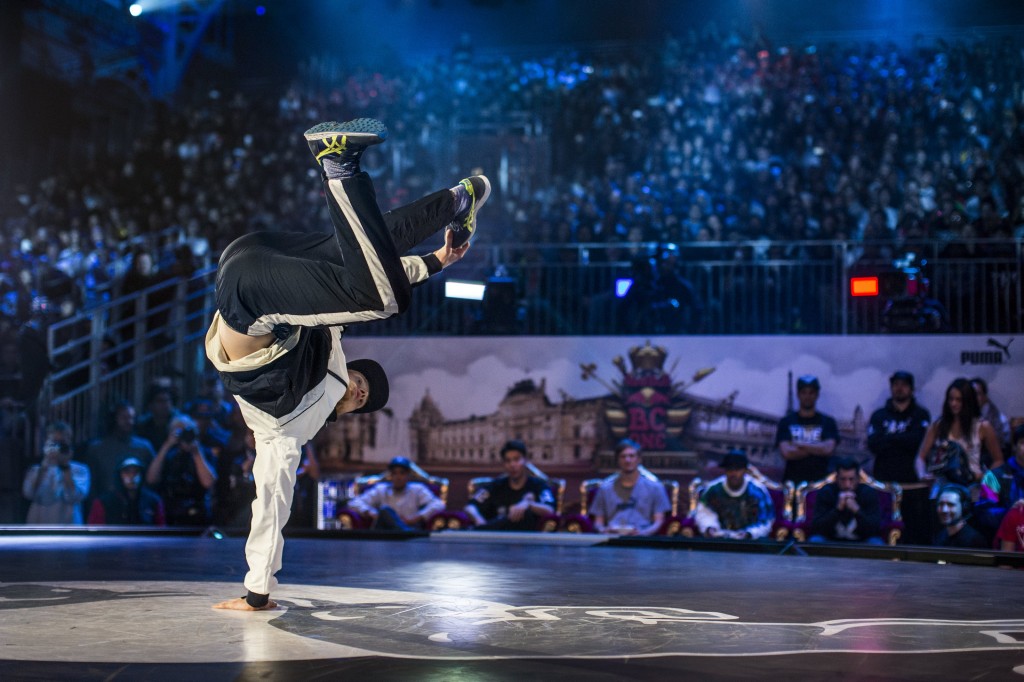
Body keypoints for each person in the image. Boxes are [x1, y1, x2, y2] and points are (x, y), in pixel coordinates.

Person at [207, 118, 488, 611]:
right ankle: (453, 199)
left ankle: (340, 167)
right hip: (260, 258)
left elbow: (272, 500)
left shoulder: (283, 434)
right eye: (361, 381)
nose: (358, 390)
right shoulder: (331, 341)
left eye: (361, 398)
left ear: (351, 413)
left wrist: (257, 592)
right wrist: (438, 260)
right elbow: (378, 265)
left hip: (245, 297)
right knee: (374, 267)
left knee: (377, 289)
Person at [866, 370, 932, 544]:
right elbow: (874, 444)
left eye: (903, 385)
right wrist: (903, 440)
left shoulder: (921, 415)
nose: (899, 388)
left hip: (913, 487)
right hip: (884, 486)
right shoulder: (879, 415)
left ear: (911, 389)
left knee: (915, 534)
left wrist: (889, 439)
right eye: (896, 384)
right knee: (884, 532)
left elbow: (918, 442)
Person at [915, 378, 1004, 488]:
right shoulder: (938, 425)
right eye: (951, 399)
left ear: (968, 401)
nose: (953, 403)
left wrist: (985, 477)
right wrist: (922, 474)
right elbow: (920, 457)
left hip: (972, 484)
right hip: (943, 484)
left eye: (959, 400)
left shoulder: (982, 426)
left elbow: (998, 460)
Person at [465, 439, 556, 531]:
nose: (512, 465)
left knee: (524, 514)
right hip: (496, 537)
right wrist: (479, 520)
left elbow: (550, 510)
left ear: (525, 460)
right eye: (508, 461)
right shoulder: (495, 486)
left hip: (527, 537)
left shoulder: (538, 485)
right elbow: (470, 507)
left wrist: (528, 504)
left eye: (516, 460)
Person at [145, 415, 217, 526]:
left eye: (187, 431)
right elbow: (151, 479)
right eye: (179, 432)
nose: (184, 435)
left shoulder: (204, 453)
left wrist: (196, 452)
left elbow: (208, 483)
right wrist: (167, 445)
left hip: (197, 513)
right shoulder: (168, 455)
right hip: (170, 513)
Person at [589, 439, 671, 536]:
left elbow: (659, 521)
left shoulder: (655, 488)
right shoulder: (605, 489)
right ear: (617, 460)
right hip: (612, 537)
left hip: (643, 538)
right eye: (623, 456)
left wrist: (642, 534)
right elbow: (598, 522)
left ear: (639, 459)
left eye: (631, 456)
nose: (627, 460)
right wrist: (604, 531)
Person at [83, 401, 157, 501]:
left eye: (131, 418)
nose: (129, 422)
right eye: (124, 418)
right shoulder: (96, 448)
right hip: (105, 504)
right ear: (114, 419)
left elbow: (153, 477)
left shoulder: (144, 446)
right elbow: (91, 483)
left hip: (138, 503)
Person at [693, 450, 775, 540]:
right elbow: (703, 513)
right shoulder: (713, 490)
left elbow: (766, 521)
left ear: (745, 470)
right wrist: (710, 528)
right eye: (730, 469)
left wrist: (750, 533)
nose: (733, 473)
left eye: (737, 469)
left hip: (751, 542)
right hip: (719, 541)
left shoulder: (757, 491)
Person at [347, 456, 445, 530]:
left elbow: (439, 504)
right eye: (394, 473)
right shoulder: (381, 489)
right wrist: (372, 513)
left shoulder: (417, 489)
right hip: (385, 534)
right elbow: (353, 503)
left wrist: (416, 518)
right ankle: (403, 531)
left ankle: (403, 530)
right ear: (391, 476)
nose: (398, 477)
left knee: (386, 511)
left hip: (410, 530)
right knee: (385, 511)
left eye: (402, 473)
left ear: (408, 475)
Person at [775, 375, 840, 485]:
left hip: (821, 485)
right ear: (798, 394)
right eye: (804, 392)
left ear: (817, 394)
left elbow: (828, 449)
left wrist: (799, 444)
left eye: (811, 392)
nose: (807, 396)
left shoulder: (828, 422)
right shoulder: (786, 422)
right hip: (793, 485)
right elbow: (786, 452)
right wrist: (818, 448)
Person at [22, 421, 90, 524]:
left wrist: (65, 466)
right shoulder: (36, 470)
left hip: (68, 527)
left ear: (69, 443)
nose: (58, 447)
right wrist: (44, 467)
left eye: (62, 443)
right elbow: (29, 493)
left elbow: (75, 496)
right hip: (39, 526)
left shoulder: (80, 470)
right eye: (54, 443)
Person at [808, 457, 884, 544]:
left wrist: (857, 510)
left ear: (858, 479)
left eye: (851, 479)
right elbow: (817, 528)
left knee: (876, 542)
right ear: (836, 478)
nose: (847, 484)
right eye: (843, 479)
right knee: (816, 540)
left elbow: (875, 529)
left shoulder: (868, 493)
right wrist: (837, 509)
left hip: (862, 541)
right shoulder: (826, 492)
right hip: (830, 540)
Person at [87, 456, 165, 525]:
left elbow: (161, 530)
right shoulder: (103, 502)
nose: (132, 476)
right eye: (127, 472)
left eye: (136, 472)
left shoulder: (153, 501)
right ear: (119, 475)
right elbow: (95, 531)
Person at [933, 483, 988, 549]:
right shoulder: (940, 537)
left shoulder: (974, 541)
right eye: (941, 504)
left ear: (964, 507)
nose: (944, 510)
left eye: (950, 505)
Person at [971, 377, 1011, 460]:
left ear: (984, 396)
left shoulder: (1000, 419)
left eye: (977, 394)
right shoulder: (961, 416)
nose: (973, 397)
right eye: (971, 394)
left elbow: (1001, 449)